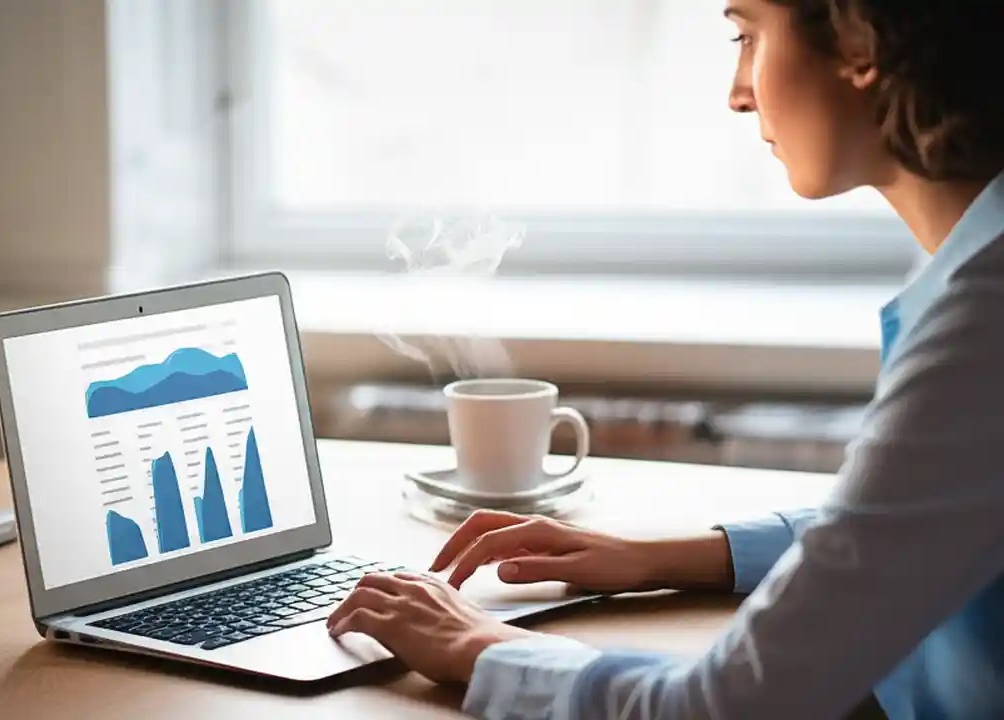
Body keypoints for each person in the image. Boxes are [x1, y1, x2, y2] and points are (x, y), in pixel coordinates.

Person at [325, 1, 1004, 717]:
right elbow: (910, 525)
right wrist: (654, 556)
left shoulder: (983, 319)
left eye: (749, 37)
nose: (738, 93)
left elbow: (723, 707)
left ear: (861, 41)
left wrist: (480, 647)